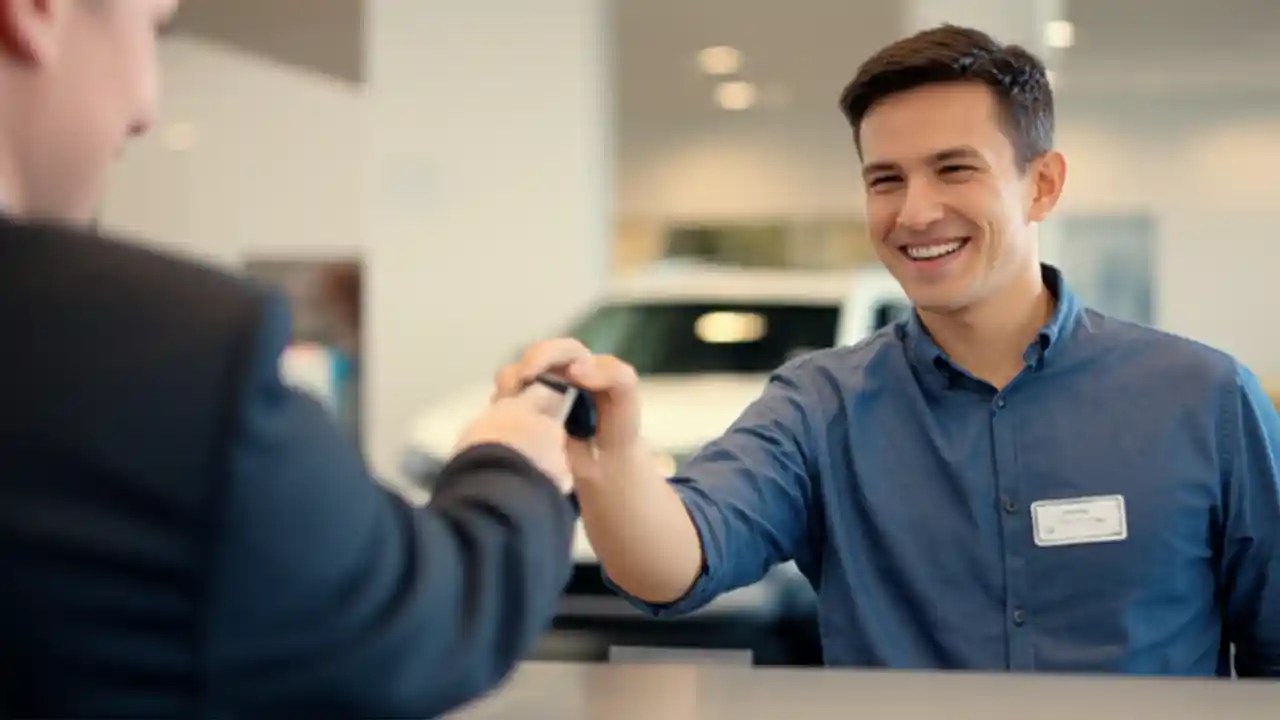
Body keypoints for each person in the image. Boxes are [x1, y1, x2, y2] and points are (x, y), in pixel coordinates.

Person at [497, 24, 1280, 676]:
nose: (916, 212)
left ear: (1042, 184)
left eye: (953, 170)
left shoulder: (1203, 398)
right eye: (885, 180)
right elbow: (672, 565)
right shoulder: (818, 406)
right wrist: (612, 463)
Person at [0, 1, 576, 716]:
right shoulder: (170, 360)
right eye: (152, 27)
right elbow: (419, 622)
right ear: (36, 11)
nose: (146, 107)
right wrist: (511, 459)